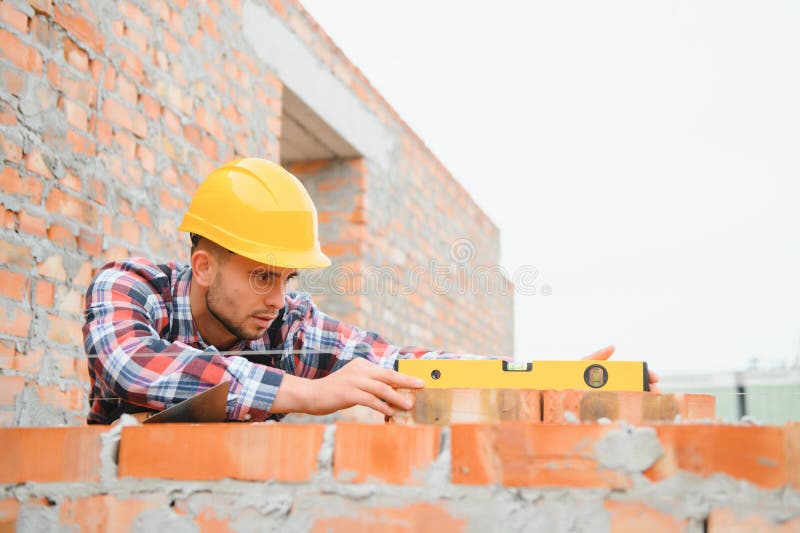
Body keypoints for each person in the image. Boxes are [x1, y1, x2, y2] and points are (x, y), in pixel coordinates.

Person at [82, 158, 657, 424]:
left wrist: (542, 381)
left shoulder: (287, 323)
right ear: (204, 267)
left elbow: (400, 364)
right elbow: (133, 366)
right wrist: (307, 394)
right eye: (263, 276)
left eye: (288, 279)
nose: (279, 298)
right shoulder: (128, 289)